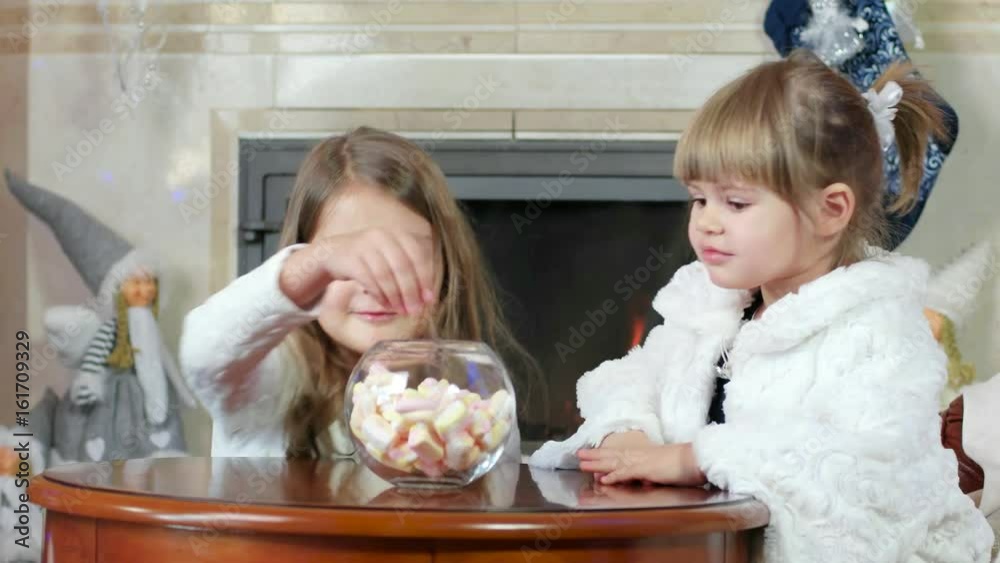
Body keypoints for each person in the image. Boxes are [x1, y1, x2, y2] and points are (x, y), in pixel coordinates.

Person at [528, 50, 994, 562]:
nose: (706, 222)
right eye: (698, 199)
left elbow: (865, 469)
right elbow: (633, 375)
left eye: (736, 203)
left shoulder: (878, 330)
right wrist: (629, 429)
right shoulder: (715, 306)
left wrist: (693, 459)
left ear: (830, 210)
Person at [180, 126, 527, 460]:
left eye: (403, 255)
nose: (373, 281)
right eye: (347, 262)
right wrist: (321, 260)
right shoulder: (267, 380)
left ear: (447, 266)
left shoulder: (476, 403)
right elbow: (203, 349)